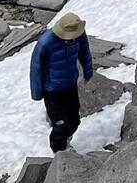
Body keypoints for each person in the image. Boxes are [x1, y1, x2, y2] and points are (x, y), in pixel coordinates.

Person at [29, 11, 94, 152]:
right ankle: (58, 151)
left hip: (70, 86)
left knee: (74, 120)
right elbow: (36, 68)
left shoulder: (79, 35)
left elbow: (85, 52)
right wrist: (37, 93)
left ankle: (66, 141)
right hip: (52, 90)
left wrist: (88, 72)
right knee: (61, 126)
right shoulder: (46, 42)